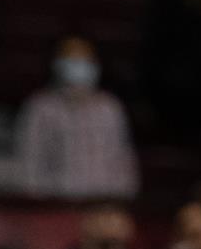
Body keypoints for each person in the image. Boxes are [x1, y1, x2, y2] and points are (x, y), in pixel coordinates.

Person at [15, 37, 138, 200]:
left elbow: (123, 160)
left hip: (102, 205)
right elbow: (30, 162)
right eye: (72, 60)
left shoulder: (109, 108)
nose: (79, 67)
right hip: (56, 204)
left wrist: (121, 200)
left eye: (85, 61)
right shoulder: (40, 108)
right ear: (58, 65)